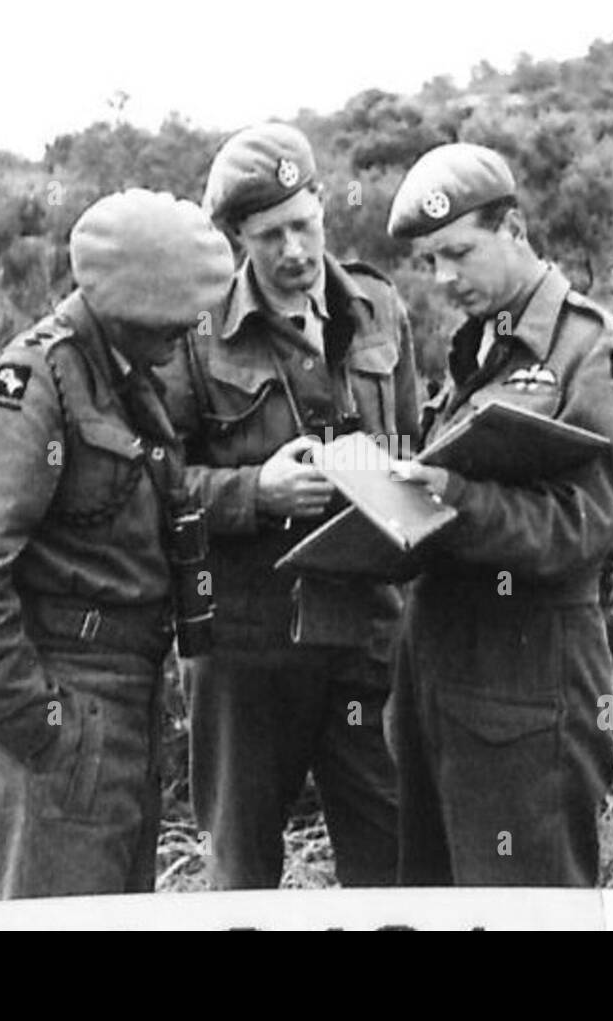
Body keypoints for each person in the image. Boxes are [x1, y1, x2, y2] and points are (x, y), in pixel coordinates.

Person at [0, 189, 234, 899]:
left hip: (117, 708)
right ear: (125, 307)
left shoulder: (124, 378)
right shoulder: (32, 386)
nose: (186, 337)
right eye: (173, 320)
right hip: (59, 716)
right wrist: (40, 723)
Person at [157, 122, 420, 888]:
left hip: (366, 636)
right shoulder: (193, 335)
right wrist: (255, 491)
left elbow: (411, 448)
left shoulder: (377, 308)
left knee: (391, 868)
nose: (295, 252)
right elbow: (155, 487)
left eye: (305, 224)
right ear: (238, 235)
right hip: (247, 651)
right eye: (270, 236)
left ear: (323, 209)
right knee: (243, 872)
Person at [385, 143, 613, 886]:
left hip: (529, 680)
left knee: (525, 906)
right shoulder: (478, 346)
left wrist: (451, 499)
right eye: (431, 259)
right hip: (438, 670)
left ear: (516, 228)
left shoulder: (594, 352)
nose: (443, 278)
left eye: (459, 253)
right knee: (432, 901)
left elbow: (582, 526)